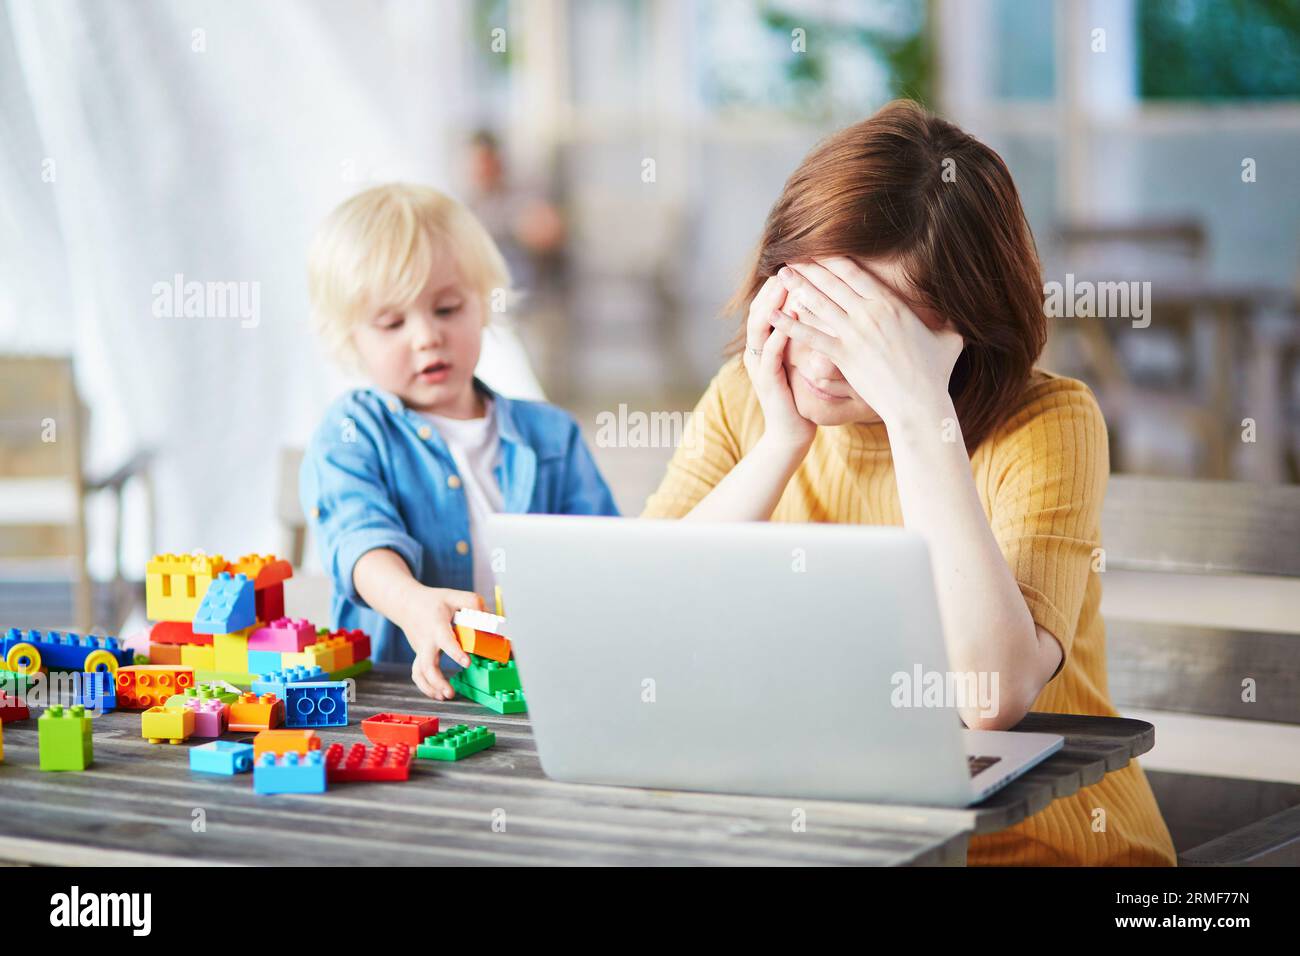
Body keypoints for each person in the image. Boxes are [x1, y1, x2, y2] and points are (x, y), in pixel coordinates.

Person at [643, 100, 1177, 866]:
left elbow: (988, 698)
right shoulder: (743, 399)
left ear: (960, 328)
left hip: (1038, 844)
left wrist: (920, 413)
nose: (824, 364)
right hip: (827, 837)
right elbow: (645, 624)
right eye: (814, 311)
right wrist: (780, 446)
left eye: (872, 334)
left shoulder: (1049, 424)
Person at [301, 183, 618, 699]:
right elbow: (358, 542)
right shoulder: (350, 434)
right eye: (391, 322)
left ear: (483, 306)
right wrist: (410, 603)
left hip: (532, 693)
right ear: (350, 337)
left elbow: (605, 559)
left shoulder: (552, 436)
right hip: (400, 698)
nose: (426, 336)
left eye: (447, 309)